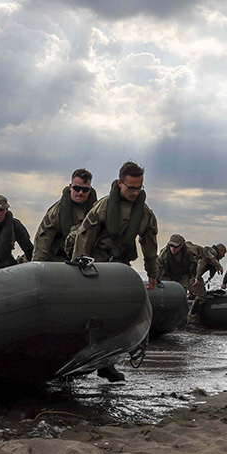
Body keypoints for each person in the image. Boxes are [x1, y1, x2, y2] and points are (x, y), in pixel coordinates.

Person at [72, 161, 161, 381]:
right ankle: (73, 361)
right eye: (131, 187)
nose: (135, 192)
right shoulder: (103, 207)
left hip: (121, 267)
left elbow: (149, 245)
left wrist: (152, 273)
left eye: (139, 188)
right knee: (89, 316)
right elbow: (85, 236)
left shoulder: (145, 214)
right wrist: (78, 269)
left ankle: (107, 364)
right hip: (97, 265)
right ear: (120, 183)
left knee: (118, 318)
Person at [32, 169, 97, 262]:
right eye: (77, 188)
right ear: (70, 187)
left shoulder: (97, 210)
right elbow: (43, 240)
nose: (80, 192)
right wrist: (38, 264)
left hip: (89, 259)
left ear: (90, 190)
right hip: (60, 260)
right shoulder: (56, 212)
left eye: (85, 190)